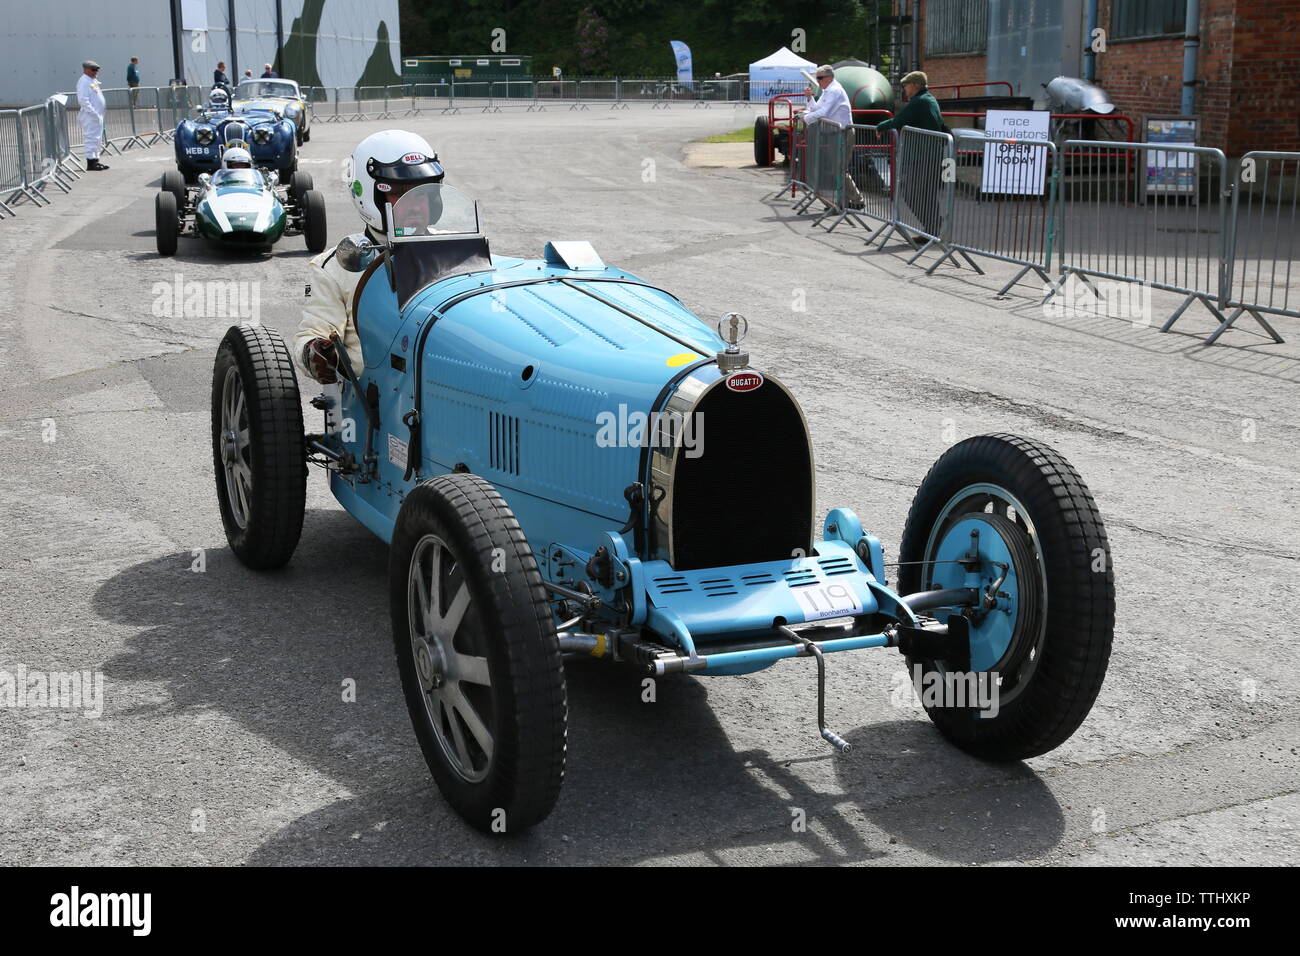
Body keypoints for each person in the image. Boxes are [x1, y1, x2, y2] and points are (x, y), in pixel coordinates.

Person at [295, 130, 446, 384]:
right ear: (369, 194)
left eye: (422, 195)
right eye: (400, 193)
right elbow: (314, 330)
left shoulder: (456, 245)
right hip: (375, 399)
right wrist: (314, 353)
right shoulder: (334, 267)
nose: (415, 206)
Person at [875, 70, 946, 242]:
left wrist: (880, 126)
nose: (904, 89)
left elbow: (899, 120)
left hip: (924, 155)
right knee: (925, 193)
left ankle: (933, 229)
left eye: (906, 86)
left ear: (914, 85)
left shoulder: (920, 102)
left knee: (911, 192)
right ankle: (933, 229)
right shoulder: (929, 99)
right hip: (931, 154)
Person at [76, 60, 109, 171]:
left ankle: (96, 160)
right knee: (91, 138)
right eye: (93, 70)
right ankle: (90, 162)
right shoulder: (84, 81)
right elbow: (83, 100)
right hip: (90, 116)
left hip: (97, 115)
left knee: (97, 139)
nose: (96, 72)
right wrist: (93, 113)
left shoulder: (92, 80)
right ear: (86, 69)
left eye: (97, 70)